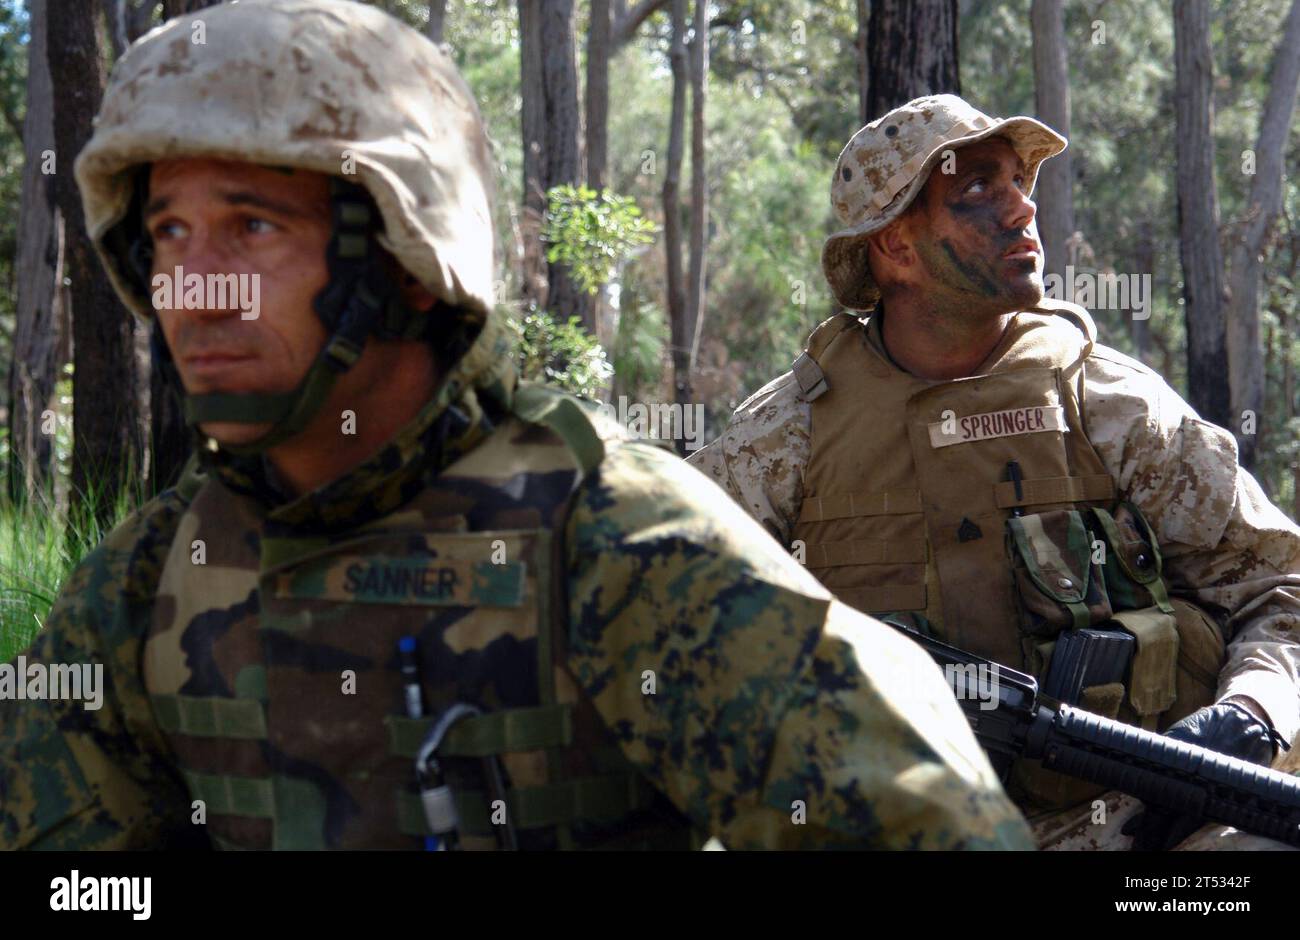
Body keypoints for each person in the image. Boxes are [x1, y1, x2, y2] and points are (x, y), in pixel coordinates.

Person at [0, 2, 1030, 852]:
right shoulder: (149, 578)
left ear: (402, 255)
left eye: (252, 226)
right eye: (169, 232)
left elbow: (922, 823)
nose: (195, 285)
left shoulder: (613, 539)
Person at [689, 93, 1300, 850]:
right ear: (894, 247)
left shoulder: (1107, 403)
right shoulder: (787, 439)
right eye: (976, 189)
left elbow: (1280, 587)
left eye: (1019, 182)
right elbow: (663, 631)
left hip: (1127, 830)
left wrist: (1252, 716)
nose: (1020, 211)